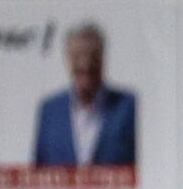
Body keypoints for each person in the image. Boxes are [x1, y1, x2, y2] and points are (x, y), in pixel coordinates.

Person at [33, 22, 138, 167]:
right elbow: (39, 174)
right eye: (78, 56)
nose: (86, 64)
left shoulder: (129, 107)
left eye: (93, 56)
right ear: (68, 60)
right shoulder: (50, 111)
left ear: (103, 59)